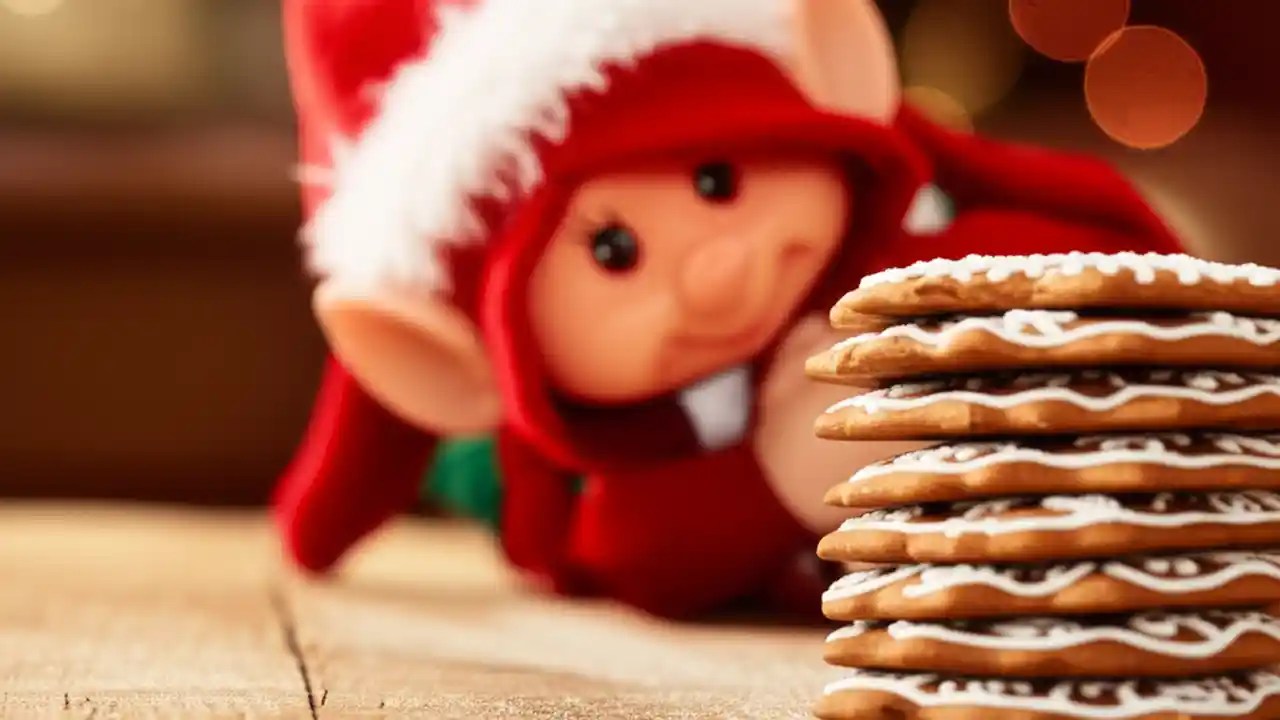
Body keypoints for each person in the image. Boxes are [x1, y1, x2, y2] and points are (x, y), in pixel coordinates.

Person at [275, 0, 1184, 619]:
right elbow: (608, 551)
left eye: (718, 181)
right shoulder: (618, 450)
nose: (717, 275)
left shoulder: (914, 222)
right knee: (481, 478)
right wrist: (776, 477)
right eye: (614, 249)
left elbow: (1105, 248)